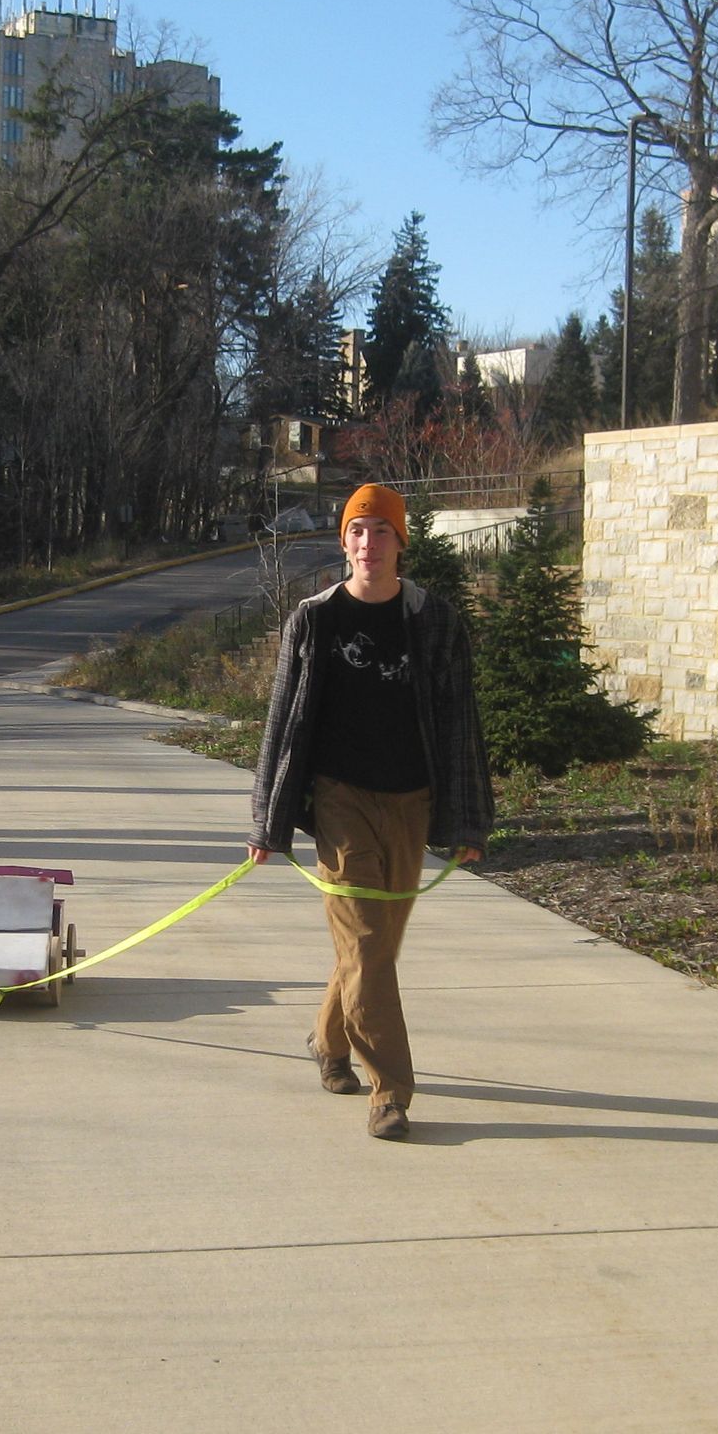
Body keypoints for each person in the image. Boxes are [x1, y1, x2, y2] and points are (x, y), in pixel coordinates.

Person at [248, 483, 493, 1140]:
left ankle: (328, 1040)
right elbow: (283, 722)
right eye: (357, 531)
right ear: (344, 542)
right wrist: (266, 823)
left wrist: (468, 822)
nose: (367, 544)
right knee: (363, 942)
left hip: (412, 800)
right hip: (339, 801)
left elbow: (459, 723)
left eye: (380, 531)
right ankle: (390, 1091)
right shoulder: (315, 620)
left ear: (399, 542)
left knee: (375, 948)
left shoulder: (434, 621)